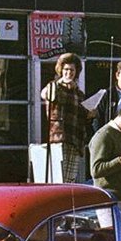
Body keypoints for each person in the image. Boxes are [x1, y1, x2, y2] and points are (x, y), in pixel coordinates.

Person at [39, 52, 95, 182]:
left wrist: (90, 114)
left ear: (76, 72)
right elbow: (44, 94)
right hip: (59, 138)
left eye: (72, 70)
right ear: (61, 70)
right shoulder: (55, 87)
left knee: (70, 179)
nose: (69, 73)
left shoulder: (79, 94)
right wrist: (57, 84)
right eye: (66, 69)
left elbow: (82, 117)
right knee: (58, 178)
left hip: (76, 140)